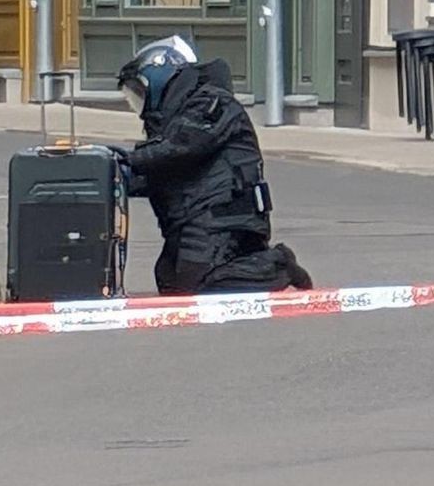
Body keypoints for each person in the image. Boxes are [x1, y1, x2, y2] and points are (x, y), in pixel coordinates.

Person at [114, 35, 314, 295]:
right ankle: (245, 265)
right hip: (195, 216)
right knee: (170, 280)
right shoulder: (174, 115)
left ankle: (278, 266)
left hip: (224, 217)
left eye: (140, 91)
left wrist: (127, 159)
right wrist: (115, 174)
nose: (139, 103)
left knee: (201, 283)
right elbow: (164, 171)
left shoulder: (211, 103)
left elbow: (182, 146)